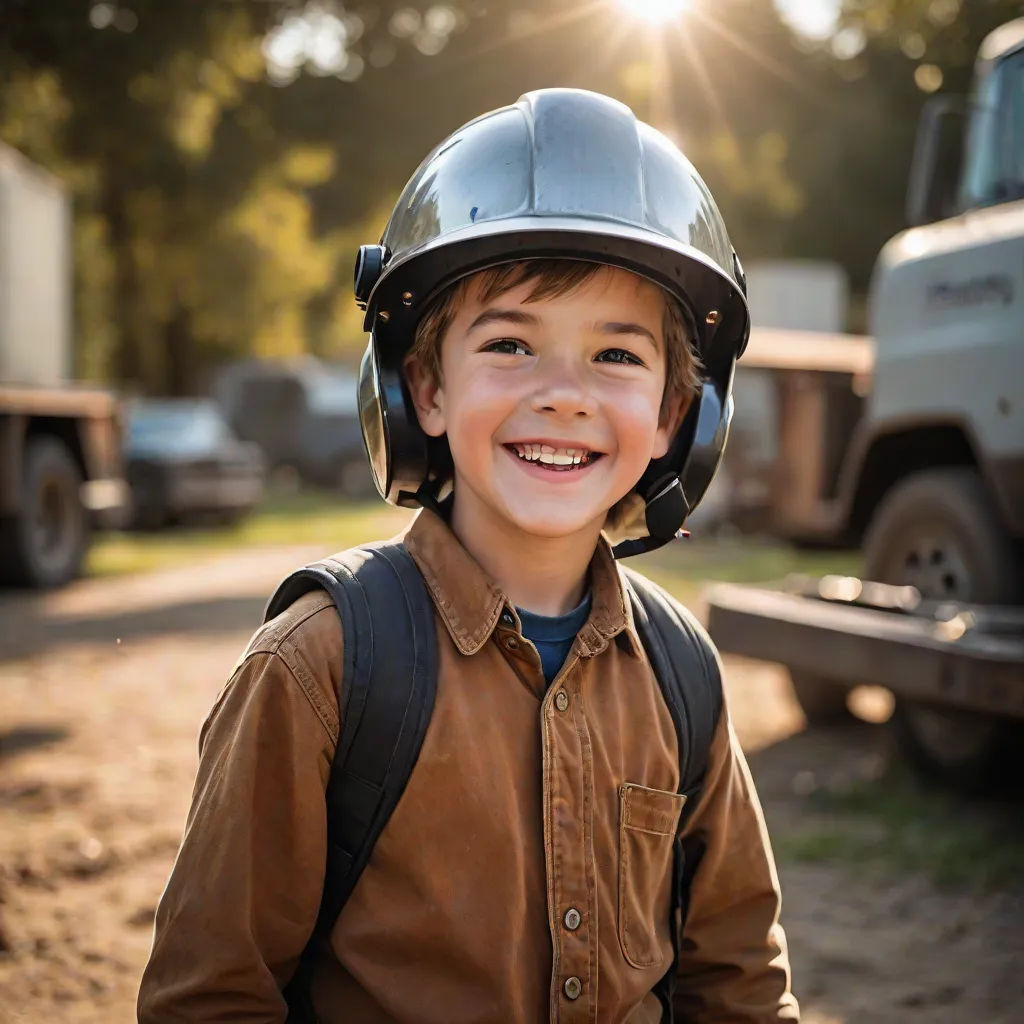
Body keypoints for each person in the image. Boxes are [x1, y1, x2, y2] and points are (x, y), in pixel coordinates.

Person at [138, 88, 799, 1023]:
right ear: (423, 391)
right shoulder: (322, 666)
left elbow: (740, 982)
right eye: (511, 344)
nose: (564, 394)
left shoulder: (681, 672)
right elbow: (210, 998)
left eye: (616, 356)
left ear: (675, 417)